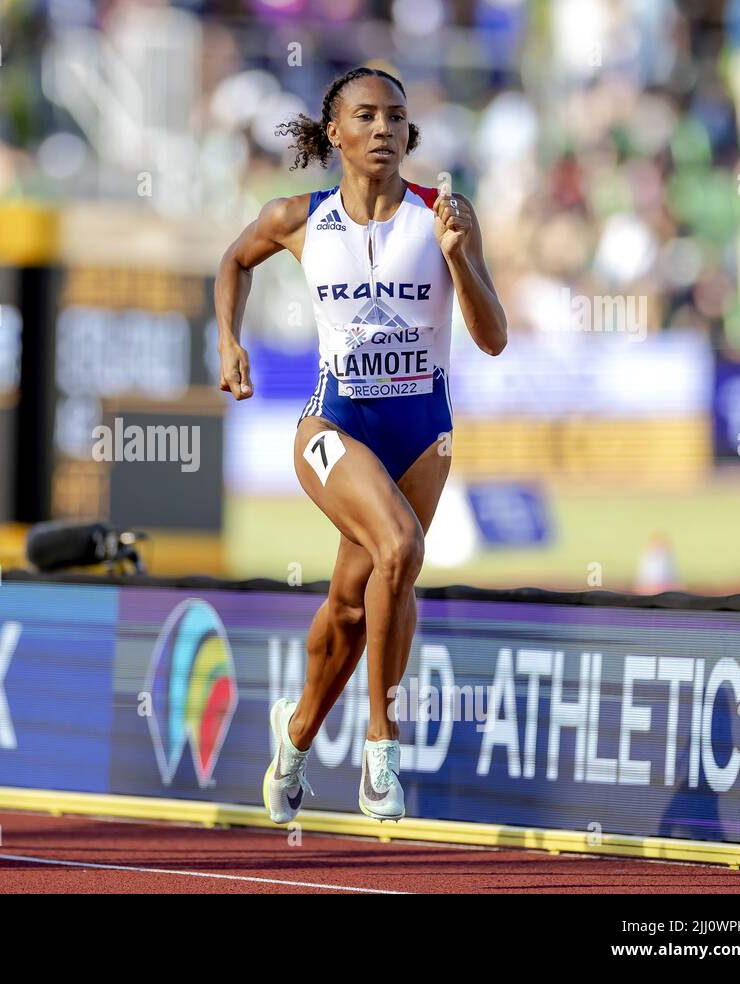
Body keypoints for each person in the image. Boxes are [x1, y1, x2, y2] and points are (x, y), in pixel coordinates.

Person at [214, 67, 507, 824]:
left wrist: (462, 256)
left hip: (422, 433)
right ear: (335, 132)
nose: (383, 129)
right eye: (367, 116)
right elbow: (233, 262)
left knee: (352, 604)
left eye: (397, 117)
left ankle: (298, 732)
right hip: (334, 426)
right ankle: (381, 746)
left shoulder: (441, 213)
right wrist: (228, 342)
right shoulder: (297, 217)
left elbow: (493, 337)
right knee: (401, 548)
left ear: (410, 134)